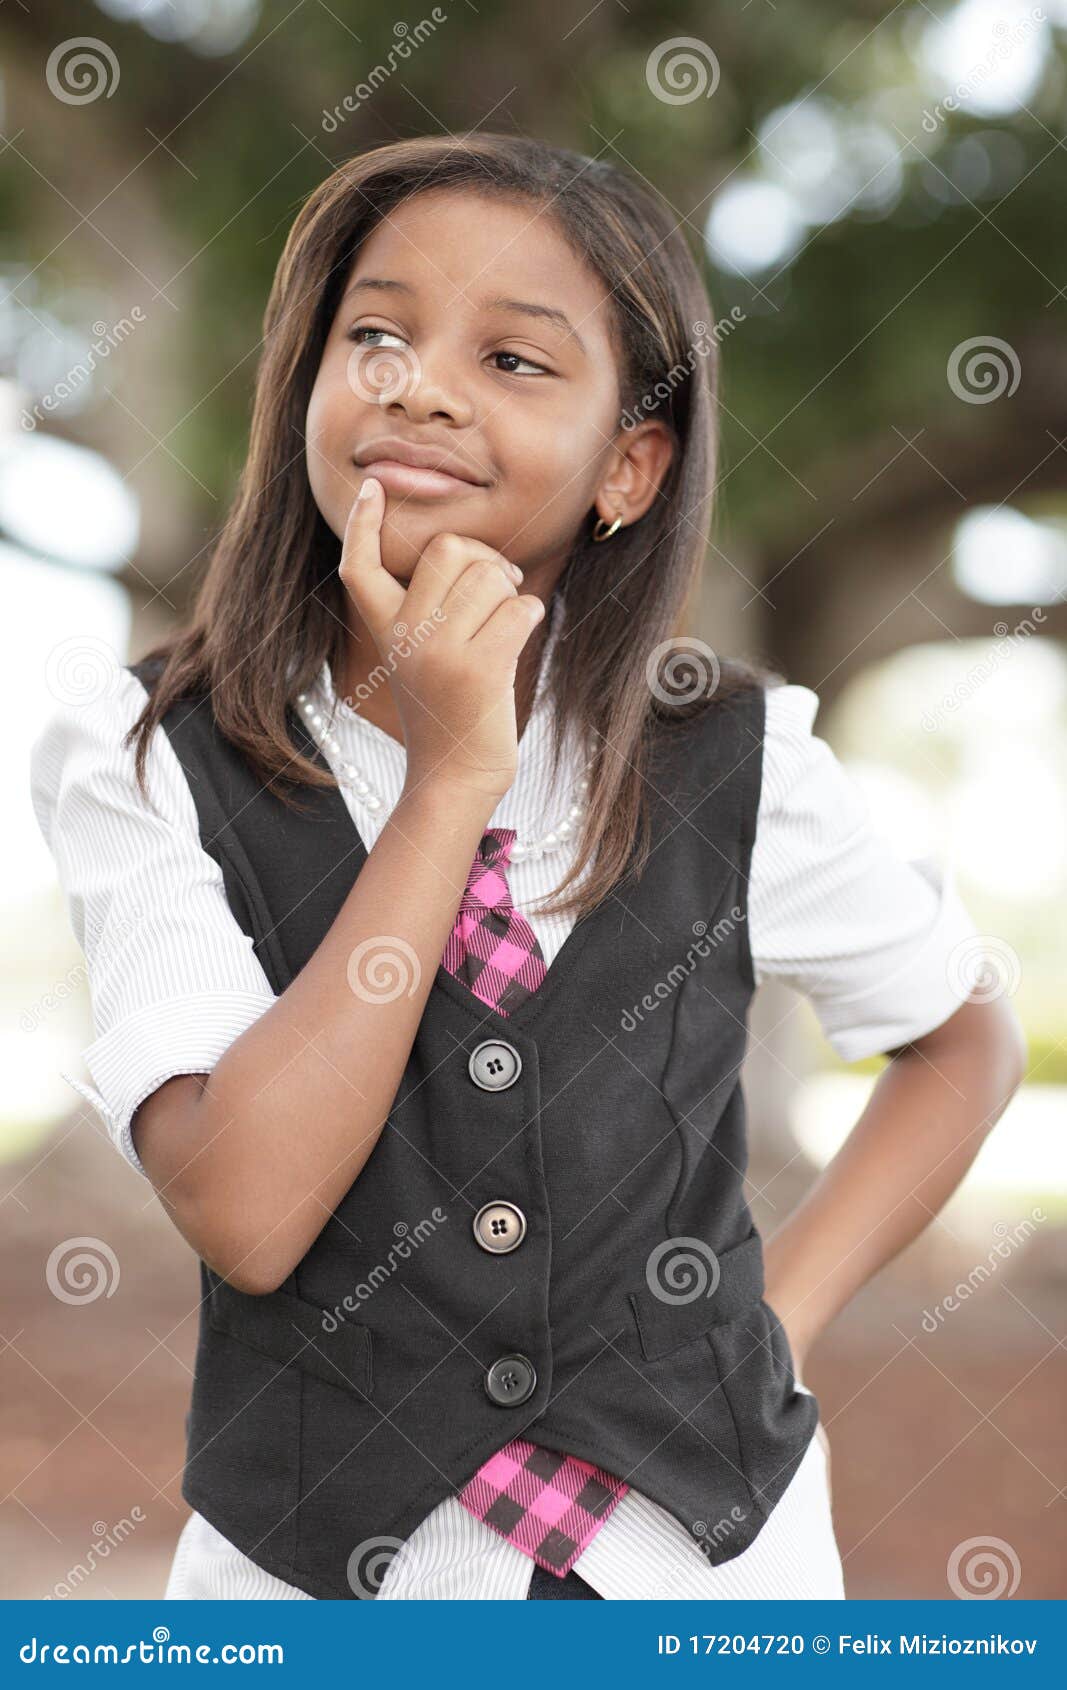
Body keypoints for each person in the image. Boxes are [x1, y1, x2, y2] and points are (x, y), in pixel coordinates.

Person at [30, 132, 1025, 1602]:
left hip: (707, 1587)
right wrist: (451, 782)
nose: (421, 386)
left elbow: (963, 1034)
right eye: (375, 336)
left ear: (629, 465)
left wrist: (780, 1317)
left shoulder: (731, 755)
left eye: (513, 360)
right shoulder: (146, 751)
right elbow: (246, 1208)